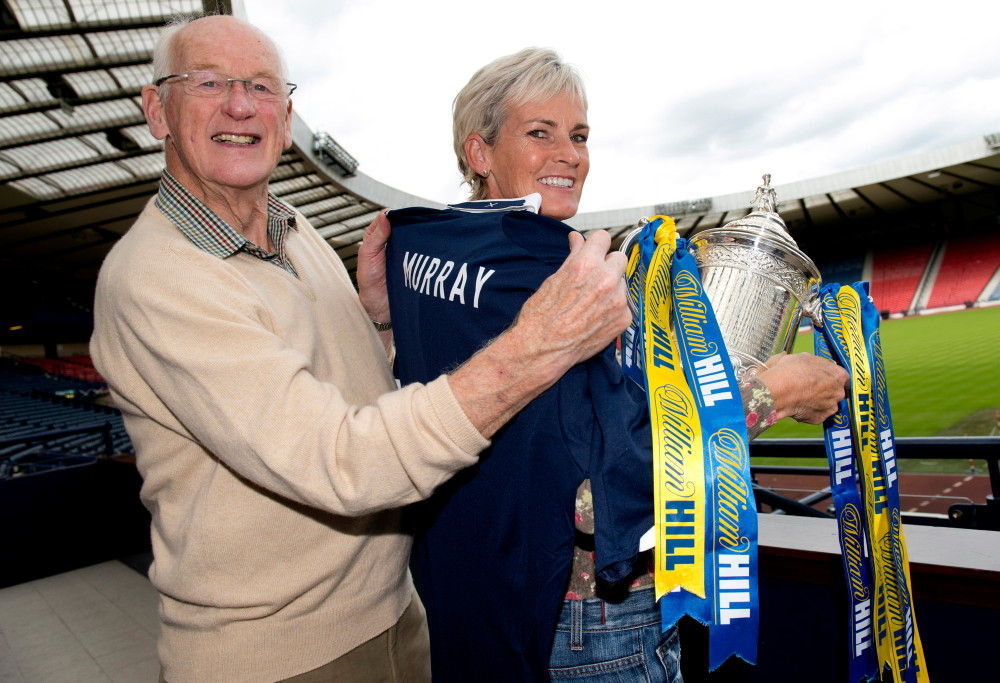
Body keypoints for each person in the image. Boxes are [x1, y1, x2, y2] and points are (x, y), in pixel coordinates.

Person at [89, 18, 633, 683]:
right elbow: (338, 460)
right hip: (277, 657)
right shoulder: (158, 276)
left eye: (261, 87)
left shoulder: (297, 232)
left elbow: (350, 398)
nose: (240, 105)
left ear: (285, 117)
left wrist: (376, 323)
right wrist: (539, 343)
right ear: (157, 110)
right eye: (209, 83)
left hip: (398, 615)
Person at [384, 48, 848, 682]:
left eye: (578, 135)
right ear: (479, 153)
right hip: (587, 621)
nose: (570, 155)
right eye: (539, 133)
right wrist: (773, 391)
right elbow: (593, 500)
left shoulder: (430, 251)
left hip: (476, 600)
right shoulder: (544, 277)